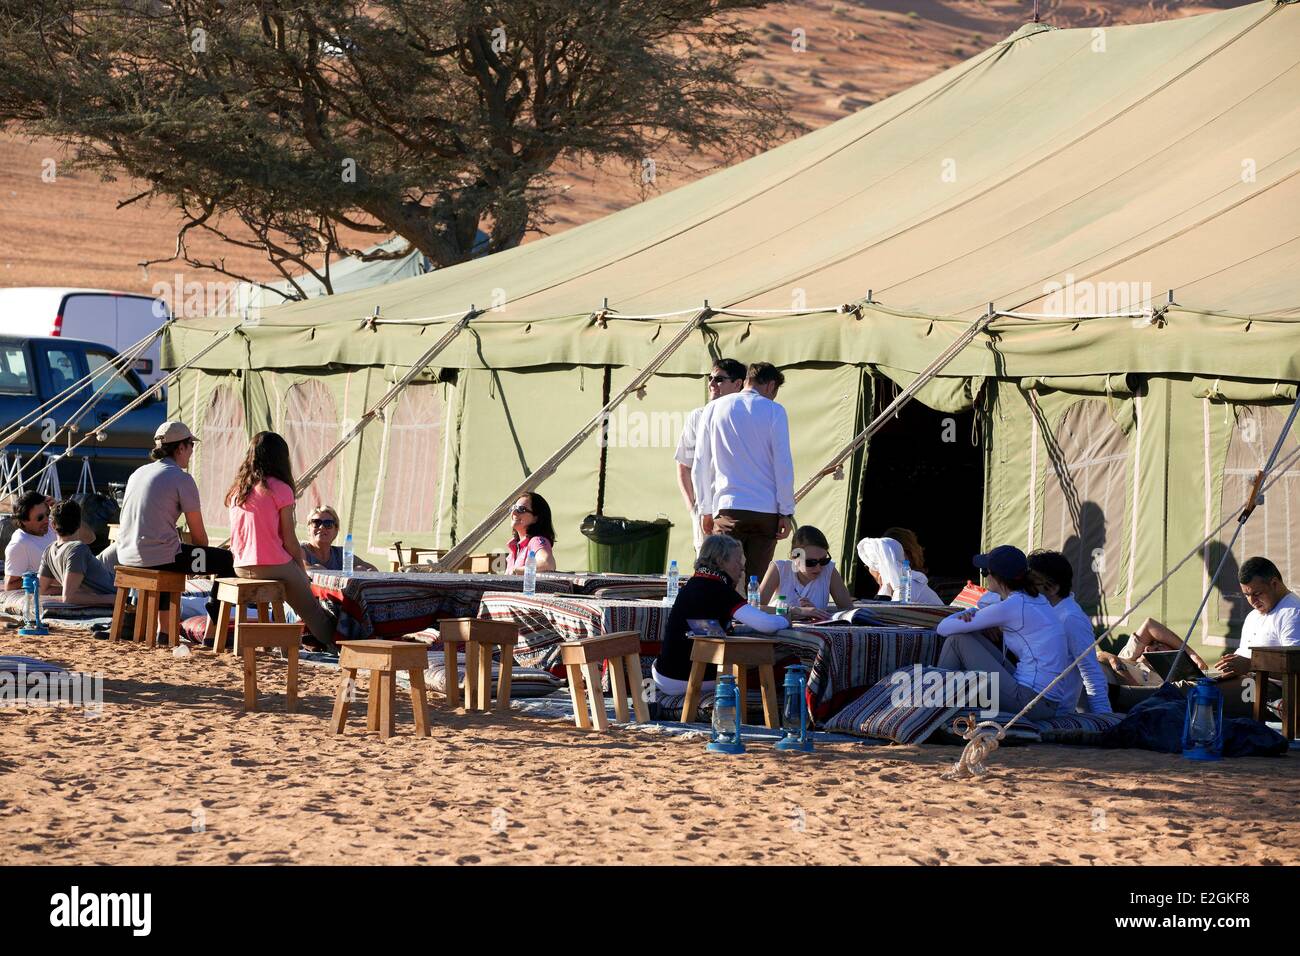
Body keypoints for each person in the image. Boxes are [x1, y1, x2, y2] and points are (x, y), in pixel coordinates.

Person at [226, 431, 338, 652]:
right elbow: (289, 538)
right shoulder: (280, 488)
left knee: (295, 589)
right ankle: (336, 643)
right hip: (272, 564)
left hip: (240, 566)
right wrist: (300, 569)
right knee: (311, 609)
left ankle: (284, 641)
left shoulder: (237, 490)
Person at [115, 420, 235, 620]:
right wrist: (200, 564)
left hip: (127, 555)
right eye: (191, 446)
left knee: (170, 550)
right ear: (181, 447)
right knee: (226, 560)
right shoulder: (181, 478)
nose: (192, 452)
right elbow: (199, 538)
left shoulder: (138, 473)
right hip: (158, 557)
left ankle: (164, 630)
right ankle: (213, 631)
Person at [935, 545, 1070, 719]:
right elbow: (987, 602)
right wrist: (978, 617)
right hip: (1043, 699)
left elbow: (943, 628)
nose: (984, 577)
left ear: (997, 577)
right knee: (970, 635)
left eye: (985, 573)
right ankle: (944, 703)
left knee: (957, 640)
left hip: (1031, 702)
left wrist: (966, 613)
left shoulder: (1013, 606)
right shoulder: (1035, 598)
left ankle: (933, 709)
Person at [691, 362, 795, 581]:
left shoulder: (714, 408)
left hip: (728, 507)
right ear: (771, 386)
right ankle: (749, 614)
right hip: (766, 511)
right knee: (754, 584)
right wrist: (786, 511)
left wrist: (705, 509)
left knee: (718, 579)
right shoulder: (775, 411)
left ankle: (720, 615)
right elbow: (783, 464)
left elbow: (700, 463)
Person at [652, 534, 791, 697]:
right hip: (693, 678)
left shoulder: (693, 584)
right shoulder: (719, 589)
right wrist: (785, 619)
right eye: (738, 561)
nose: (742, 567)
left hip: (664, 676)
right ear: (720, 561)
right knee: (768, 659)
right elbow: (766, 625)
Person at [1027, 549, 1112, 714]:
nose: (1025, 590)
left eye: (1031, 584)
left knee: (963, 643)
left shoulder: (1071, 619)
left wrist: (1104, 718)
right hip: (1031, 695)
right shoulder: (1045, 611)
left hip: (1049, 708)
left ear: (1051, 588)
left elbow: (1091, 672)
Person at [674, 358, 746, 552]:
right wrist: (692, 509)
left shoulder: (747, 417)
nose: (712, 384)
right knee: (706, 568)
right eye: (710, 378)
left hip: (735, 509)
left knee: (738, 567)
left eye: (719, 379)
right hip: (705, 510)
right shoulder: (697, 416)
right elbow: (684, 466)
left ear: (738, 384)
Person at [758, 525, 854, 616]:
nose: (818, 567)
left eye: (824, 560)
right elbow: (754, 608)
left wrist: (819, 613)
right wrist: (796, 611)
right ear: (794, 557)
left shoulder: (829, 569)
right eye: (811, 562)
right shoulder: (780, 569)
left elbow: (848, 610)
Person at [38, 499, 116, 606]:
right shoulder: (78, 549)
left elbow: (41, 589)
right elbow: (69, 598)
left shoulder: (49, 550)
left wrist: (74, 591)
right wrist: (112, 599)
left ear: (53, 525)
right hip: (115, 593)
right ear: (80, 524)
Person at [856, 536, 943, 605]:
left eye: (868, 567)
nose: (869, 571)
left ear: (880, 568)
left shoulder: (907, 584)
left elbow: (893, 614)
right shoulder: (894, 585)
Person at [3, 491, 56, 590]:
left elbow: (90, 538)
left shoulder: (52, 525)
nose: (46, 520)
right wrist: (46, 579)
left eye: (47, 514)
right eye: (40, 518)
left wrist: (59, 509)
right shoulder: (19, 544)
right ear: (24, 521)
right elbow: (9, 585)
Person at [300, 505, 377, 571]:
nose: (321, 527)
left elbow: (372, 569)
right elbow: (304, 568)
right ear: (309, 529)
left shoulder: (341, 554)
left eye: (328, 524)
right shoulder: (301, 550)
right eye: (316, 523)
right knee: (317, 569)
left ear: (336, 530)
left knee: (360, 569)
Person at [506, 492, 556, 574]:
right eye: (513, 508)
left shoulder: (536, 541)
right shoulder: (515, 547)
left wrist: (517, 571)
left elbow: (547, 563)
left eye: (521, 509)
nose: (514, 512)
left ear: (536, 518)